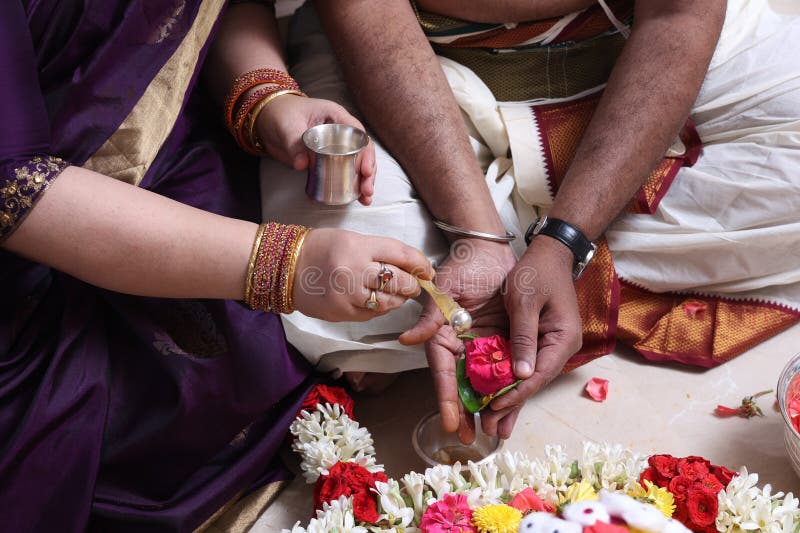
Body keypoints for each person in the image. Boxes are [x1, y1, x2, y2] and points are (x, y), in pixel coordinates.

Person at [261, 0, 800, 442]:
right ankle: (519, 249)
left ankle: (543, 253)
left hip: (637, 55)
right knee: (327, 285)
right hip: (419, 72)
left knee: (380, 300)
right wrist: (476, 237)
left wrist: (564, 241)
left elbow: (680, 15)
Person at [0, 1, 434, 531]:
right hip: (38, 231)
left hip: (183, 147)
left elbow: (214, 8)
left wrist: (267, 97)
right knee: (82, 427)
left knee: (375, 267)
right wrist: (284, 266)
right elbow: (13, 188)